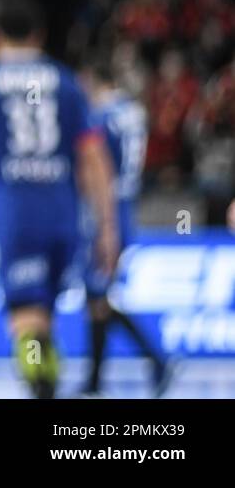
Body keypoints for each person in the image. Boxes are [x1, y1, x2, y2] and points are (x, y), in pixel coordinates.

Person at [0, 2, 118, 398]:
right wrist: (107, 225)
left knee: (25, 315)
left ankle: (41, 384)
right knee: (45, 309)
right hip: (63, 212)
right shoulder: (67, 83)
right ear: (38, 36)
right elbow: (94, 159)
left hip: (14, 212)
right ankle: (49, 377)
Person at [80, 63, 172, 397]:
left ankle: (155, 360)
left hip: (105, 211)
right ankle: (97, 381)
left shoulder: (101, 116)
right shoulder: (133, 112)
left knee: (98, 297)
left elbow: (94, 164)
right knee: (98, 297)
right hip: (126, 206)